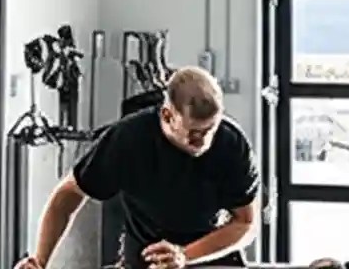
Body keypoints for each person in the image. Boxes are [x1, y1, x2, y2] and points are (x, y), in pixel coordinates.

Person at [14, 66, 259, 269]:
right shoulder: (129, 139)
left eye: (211, 130)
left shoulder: (232, 145)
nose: (203, 141)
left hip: (212, 258)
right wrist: (40, 261)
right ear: (167, 115)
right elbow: (68, 194)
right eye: (194, 133)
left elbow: (245, 223)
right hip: (145, 259)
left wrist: (184, 256)